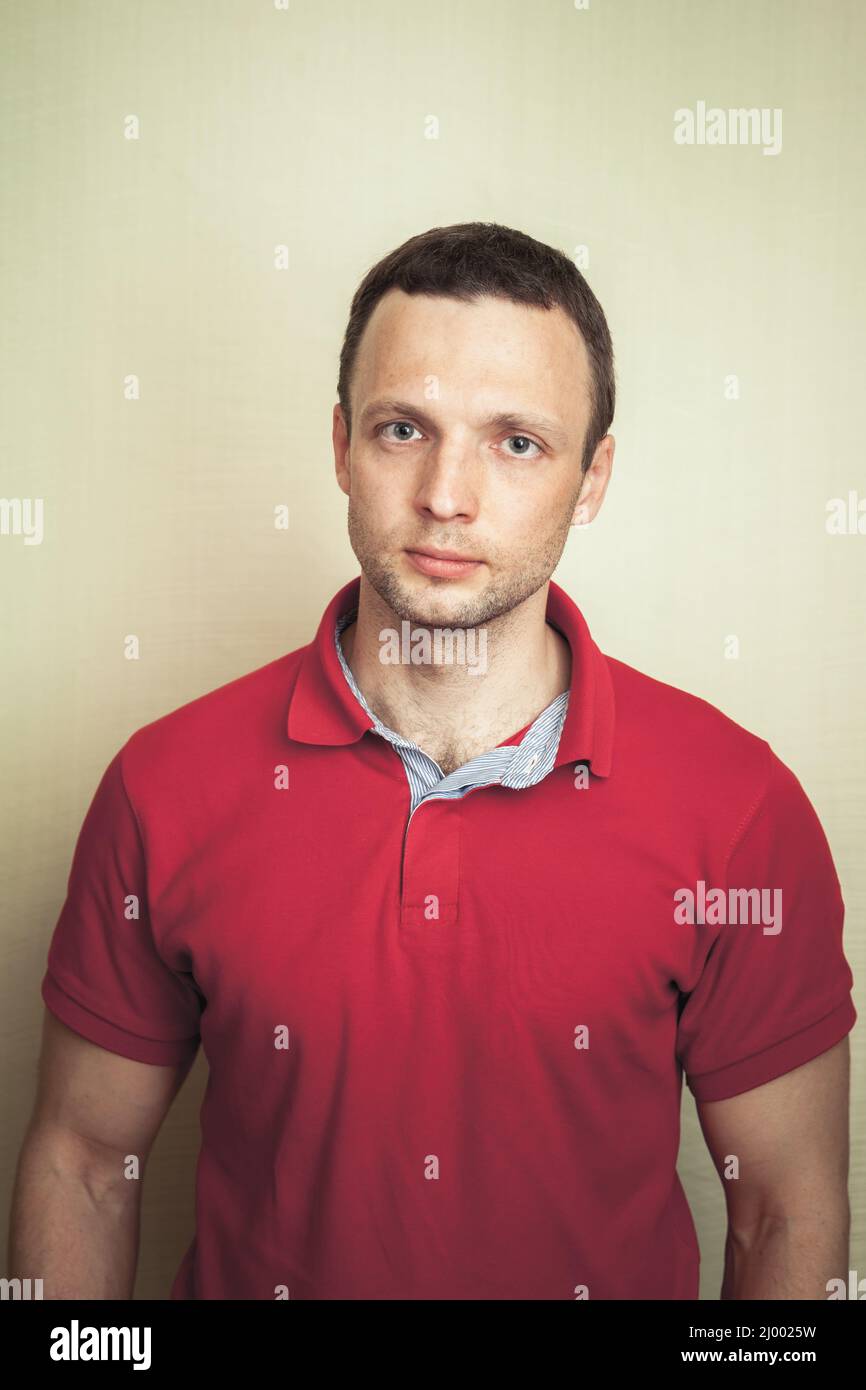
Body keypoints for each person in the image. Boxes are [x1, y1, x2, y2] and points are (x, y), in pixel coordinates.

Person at [9, 223, 855, 1300]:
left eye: (516, 443)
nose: (446, 495)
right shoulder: (163, 785)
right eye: (403, 427)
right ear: (339, 447)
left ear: (590, 476)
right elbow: (82, 1164)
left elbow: (785, 1212)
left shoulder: (737, 810)